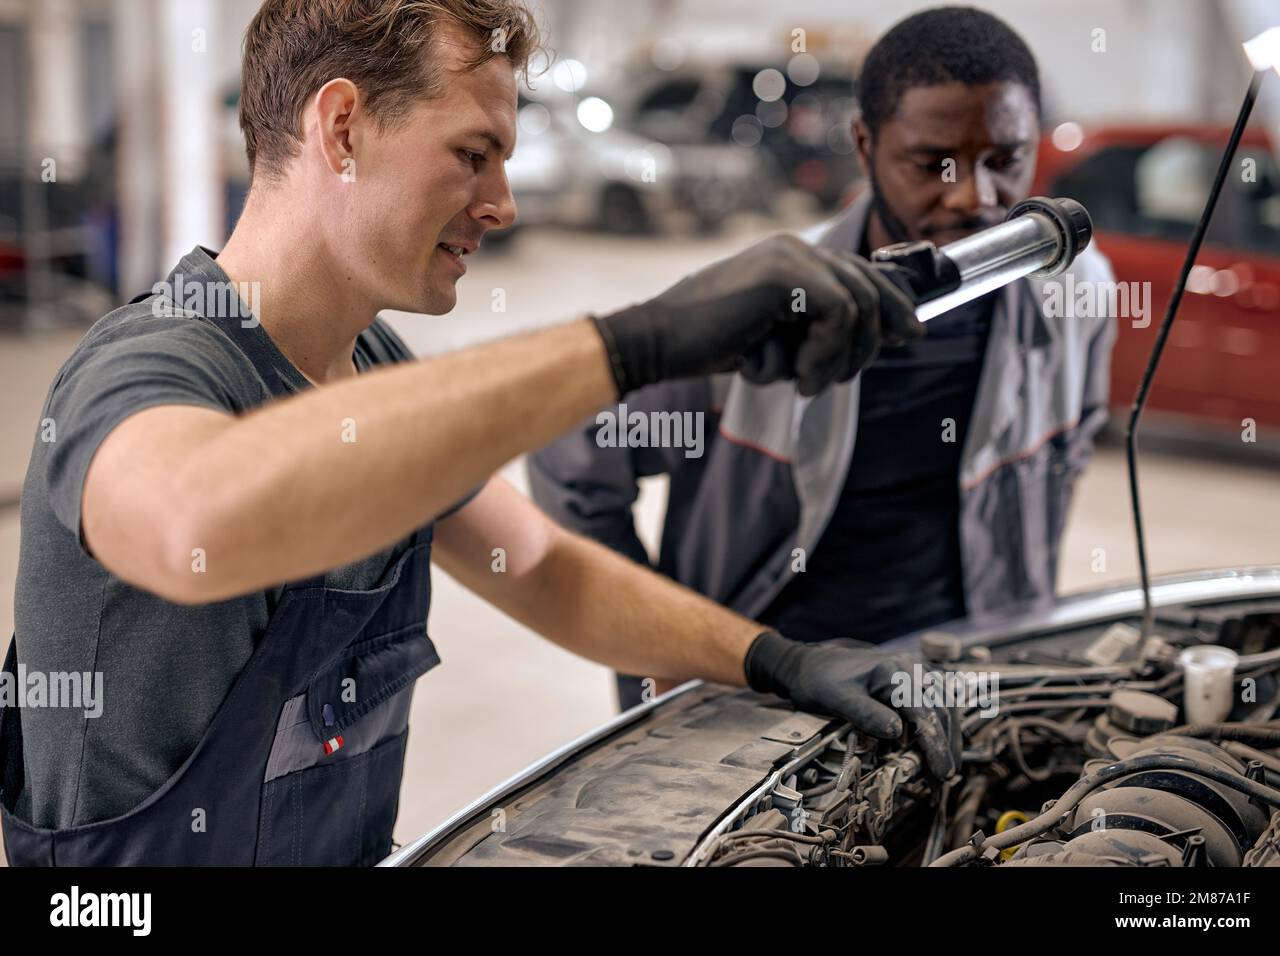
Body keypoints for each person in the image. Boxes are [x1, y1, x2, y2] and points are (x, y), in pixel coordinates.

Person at [1, 0, 959, 867]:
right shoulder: (149, 368)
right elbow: (192, 523)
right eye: (472, 154)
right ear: (342, 128)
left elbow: (541, 564)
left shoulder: (374, 366)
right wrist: (636, 344)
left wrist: (775, 659)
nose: (502, 203)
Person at [529, 6, 1118, 711]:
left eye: (1005, 160)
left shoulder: (1076, 295)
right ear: (865, 145)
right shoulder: (764, 307)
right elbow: (570, 453)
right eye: (932, 163)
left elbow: (1066, 463)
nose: (974, 197)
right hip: (765, 703)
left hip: (966, 687)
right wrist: (657, 652)